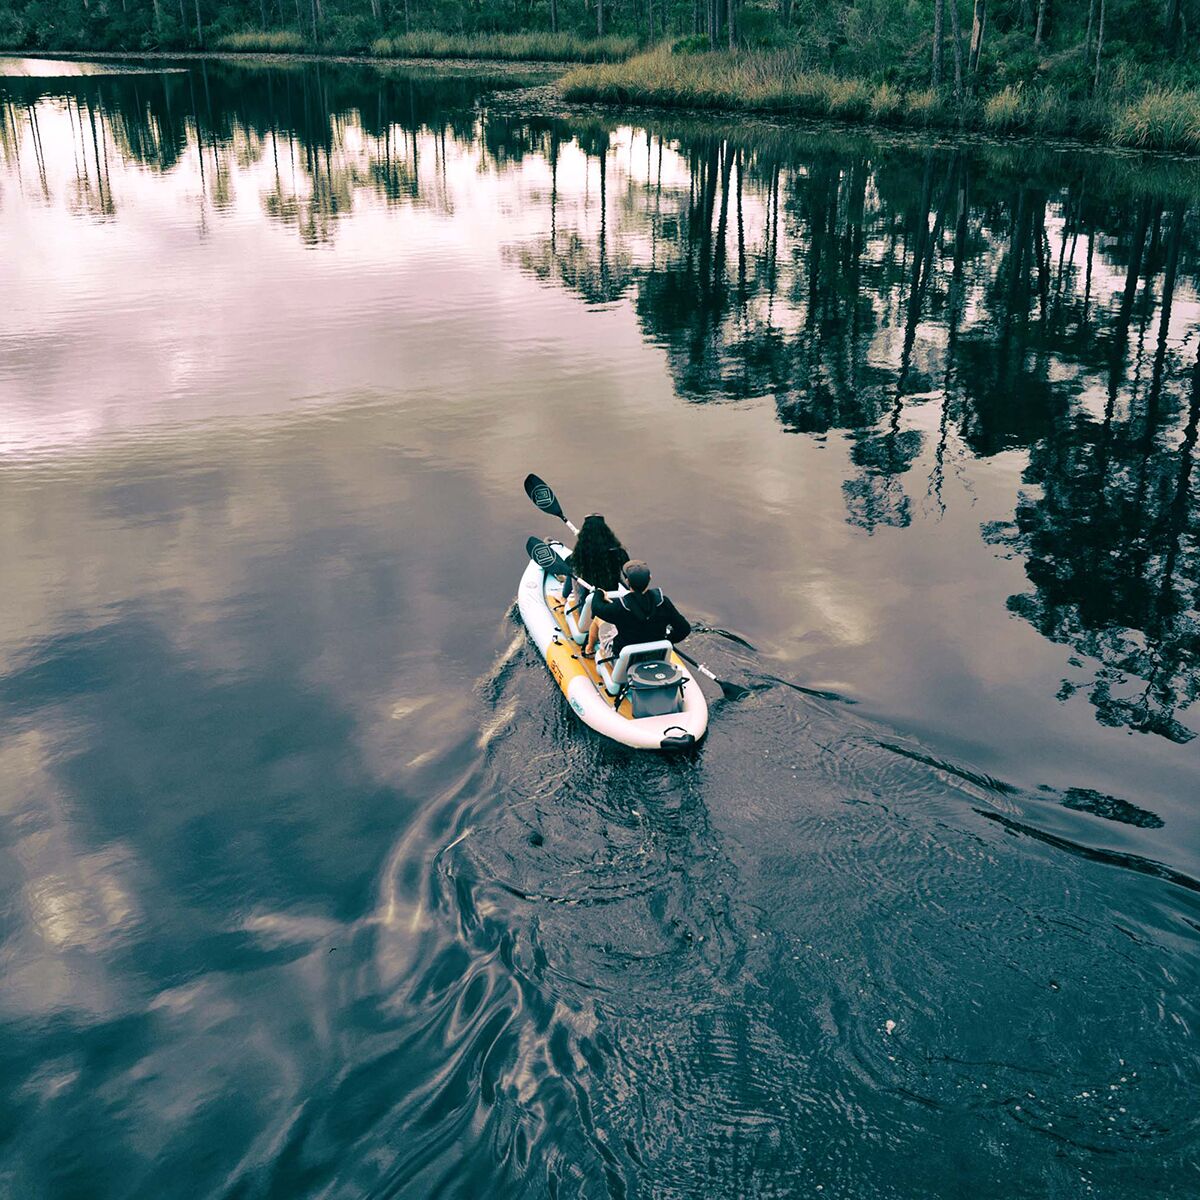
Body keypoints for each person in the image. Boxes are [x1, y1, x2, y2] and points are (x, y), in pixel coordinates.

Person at [584, 560, 691, 661]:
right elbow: (684, 629)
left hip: (623, 659)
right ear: (650, 578)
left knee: (598, 619)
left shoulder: (619, 607)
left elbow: (596, 608)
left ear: (627, 581)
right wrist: (667, 640)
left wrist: (599, 593)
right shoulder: (663, 602)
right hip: (656, 653)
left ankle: (589, 649)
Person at [561, 514, 627, 609]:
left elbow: (568, 580)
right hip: (613, 600)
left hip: (588, 605)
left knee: (573, 573)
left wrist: (564, 597)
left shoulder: (578, 555)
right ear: (606, 531)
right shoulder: (620, 553)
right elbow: (629, 578)